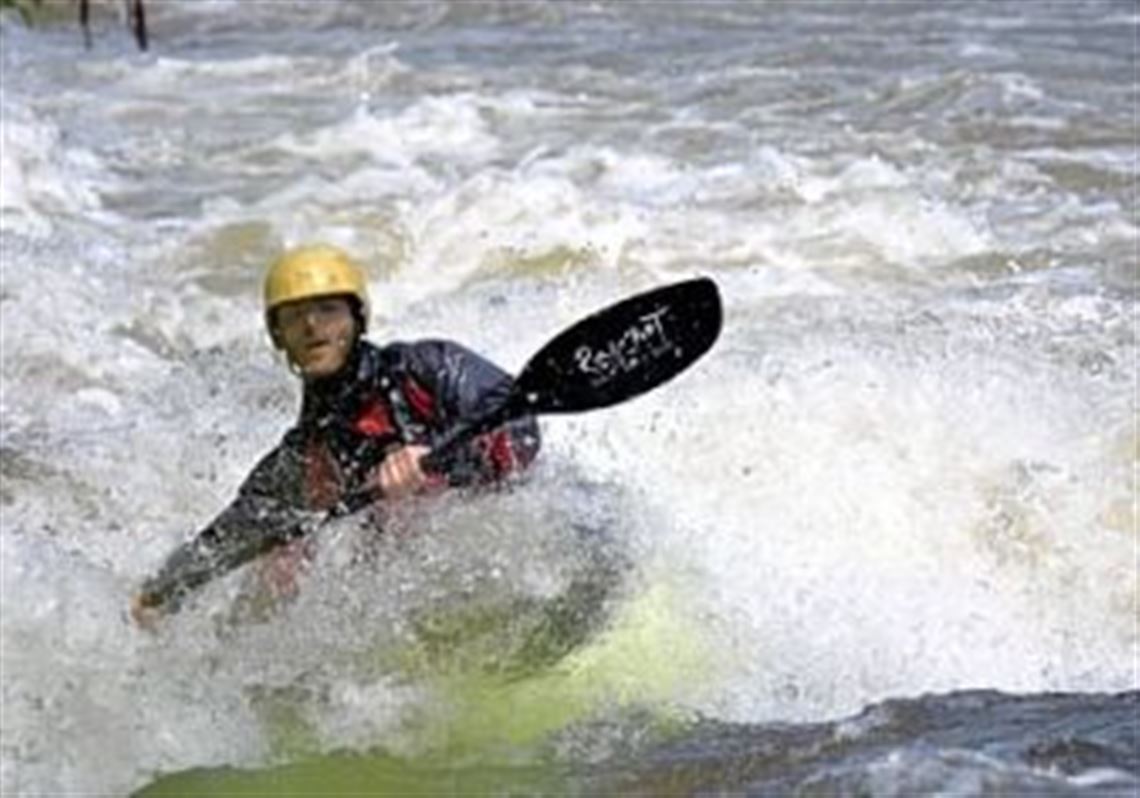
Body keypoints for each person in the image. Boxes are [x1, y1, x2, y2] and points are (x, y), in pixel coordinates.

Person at [130, 244, 540, 628]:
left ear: (356, 319)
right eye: (294, 317)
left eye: (328, 310)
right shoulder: (309, 453)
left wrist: (438, 459)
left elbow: (522, 427)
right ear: (279, 337)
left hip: (517, 542)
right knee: (272, 577)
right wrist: (161, 592)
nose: (312, 326)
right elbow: (236, 531)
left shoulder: (428, 368)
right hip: (419, 589)